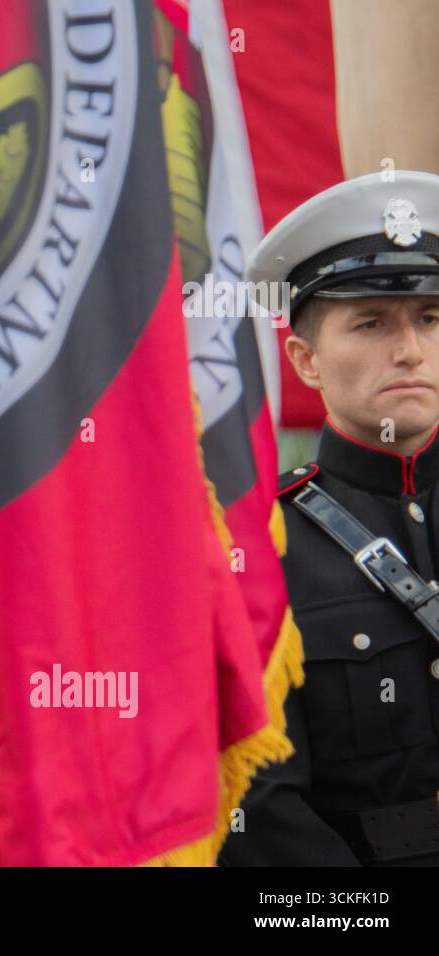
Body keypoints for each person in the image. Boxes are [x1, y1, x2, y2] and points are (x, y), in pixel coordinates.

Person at [220, 170, 439, 866]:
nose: (409, 350)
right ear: (305, 360)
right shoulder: (258, 547)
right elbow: (256, 805)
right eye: (372, 323)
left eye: (431, 318)